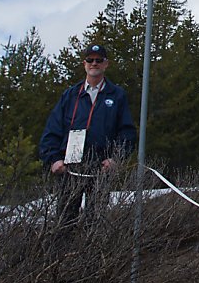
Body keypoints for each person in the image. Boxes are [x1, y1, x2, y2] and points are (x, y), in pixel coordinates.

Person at [39, 43, 137, 226]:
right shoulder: (70, 95)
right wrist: (53, 159)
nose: (94, 64)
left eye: (99, 60)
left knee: (96, 224)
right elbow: (52, 130)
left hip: (100, 171)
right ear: (84, 64)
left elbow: (127, 132)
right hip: (69, 170)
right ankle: (62, 254)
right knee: (64, 223)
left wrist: (116, 158)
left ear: (106, 64)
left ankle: (93, 254)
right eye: (90, 60)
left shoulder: (117, 95)